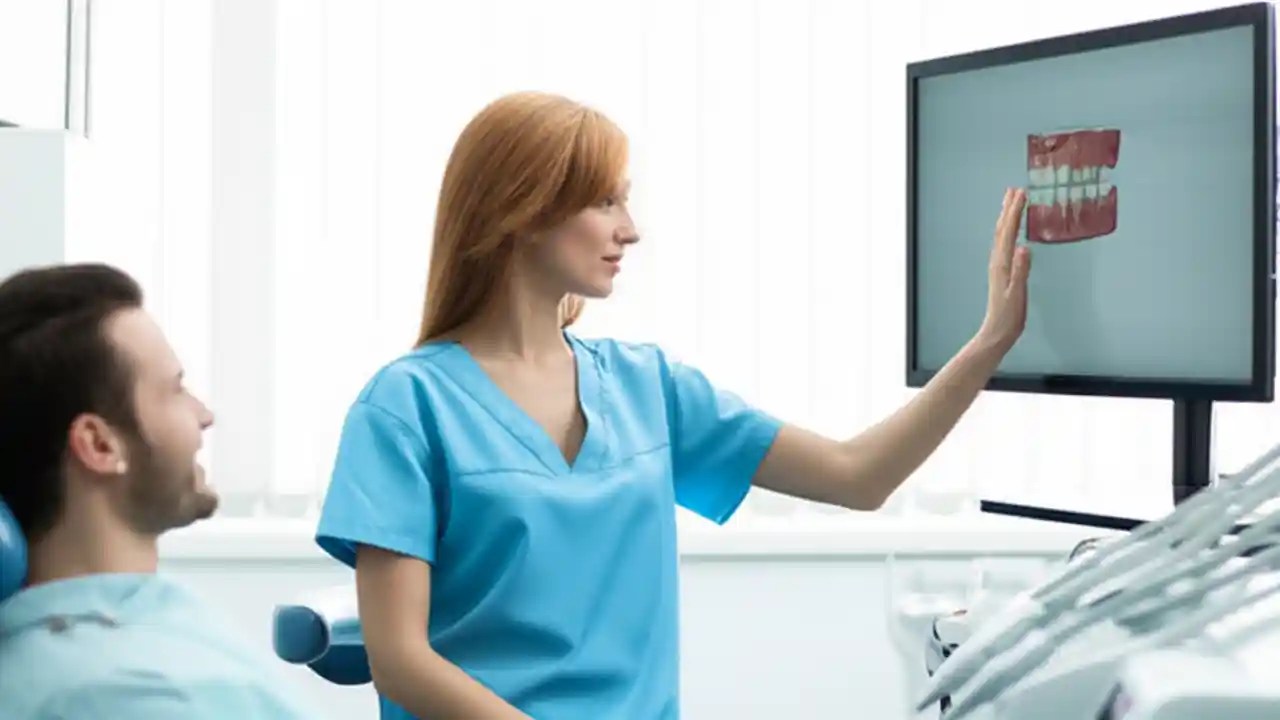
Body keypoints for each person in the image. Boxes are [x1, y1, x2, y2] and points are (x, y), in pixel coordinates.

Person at [315, 91, 1032, 720]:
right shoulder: (406, 407)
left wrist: (988, 344)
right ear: (522, 210)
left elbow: (858, 476)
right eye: (605, 201)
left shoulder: (645, 387)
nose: (630, 228)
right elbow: (400, 660)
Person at [0, 263, 319, 719]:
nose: (204, 414)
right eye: (175, 389)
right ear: (99, 444)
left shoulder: (122, 638)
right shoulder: (130, 695)